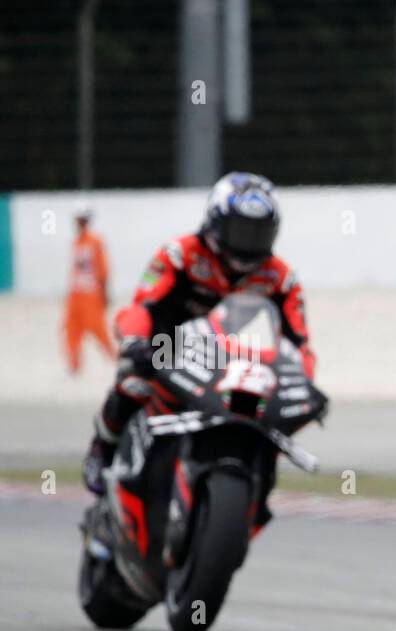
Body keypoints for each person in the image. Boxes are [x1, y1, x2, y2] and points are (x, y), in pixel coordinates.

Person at [81, 172, 314, 494]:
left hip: (224, 350)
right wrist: (136, 341)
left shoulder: (280, 277)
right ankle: (102, 449)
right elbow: (143, 306)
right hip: (165, 342)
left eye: (258, 234)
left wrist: (304, 382)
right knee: (134, 382)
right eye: (241, 231)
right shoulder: (179, 254)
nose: (248, 244)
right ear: (214, 222)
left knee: (260, 413)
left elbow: (299, 341)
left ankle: (250, 482)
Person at [63, 206, 113, 374]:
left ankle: (114, 356)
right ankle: (74, 363)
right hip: (76, 293)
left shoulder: (95, 241)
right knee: (71, 328)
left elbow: (103, 268)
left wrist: (105, 293)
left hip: (91, 294)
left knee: (98, 329)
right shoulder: (76, 242)